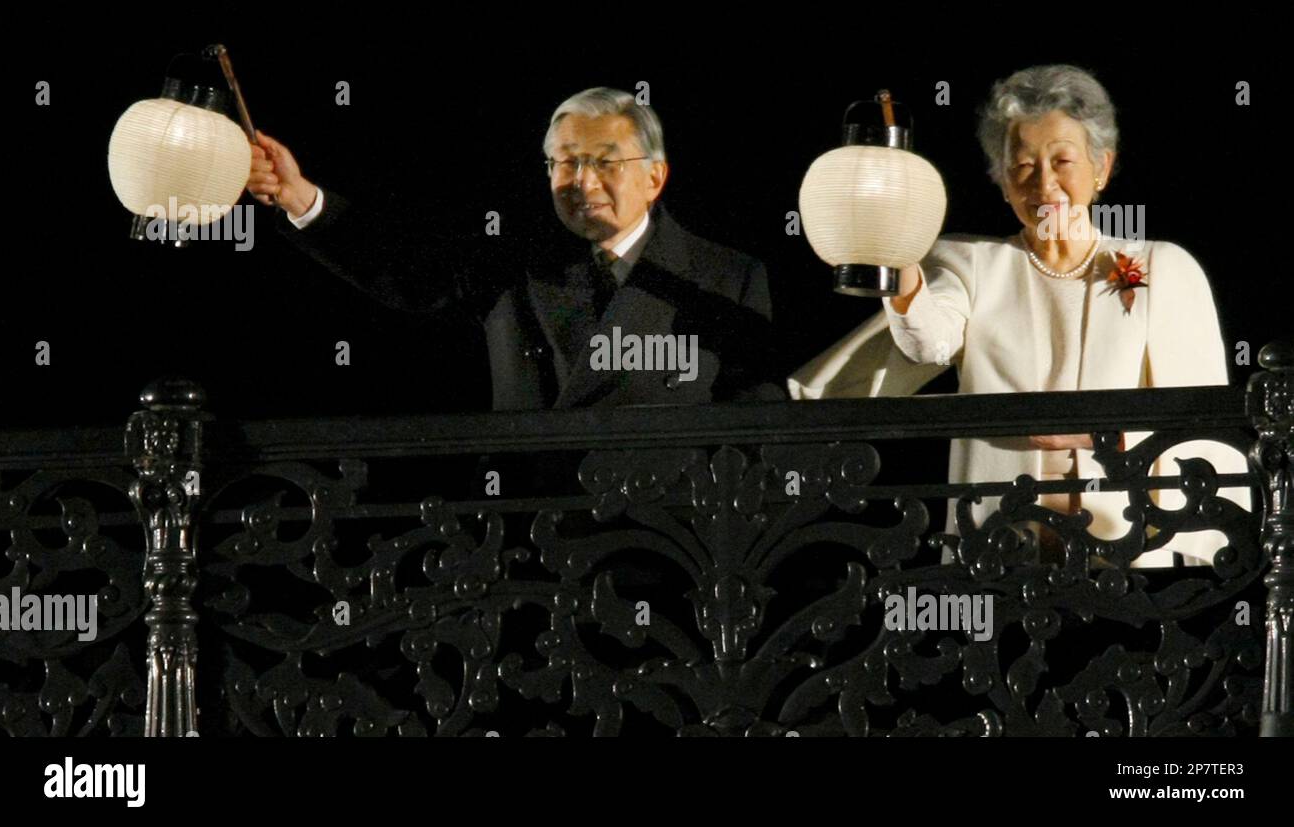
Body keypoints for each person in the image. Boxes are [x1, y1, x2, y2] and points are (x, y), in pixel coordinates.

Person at [788, 65, 1249, 568]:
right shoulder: (971, 263)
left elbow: (1201, 423)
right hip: (1000, 555)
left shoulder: (1160, 267)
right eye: (1023, 165)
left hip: (1130, 562)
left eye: (1063, 160)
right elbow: (928, 343)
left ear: (1101, 168)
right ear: (1002, 181)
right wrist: (897, 260)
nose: (1044, 183)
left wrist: (1093, 435)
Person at [247, 87, 781, 409]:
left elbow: (757, 421)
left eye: (605, 162)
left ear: (655, 177)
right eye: (567, 162)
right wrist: (301, 198)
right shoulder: (512, 260)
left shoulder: (726, 276)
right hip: (534, 544)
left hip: (668, 547)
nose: (584, 182)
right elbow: (404, 269)